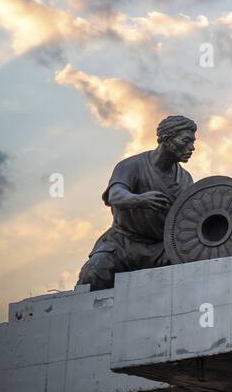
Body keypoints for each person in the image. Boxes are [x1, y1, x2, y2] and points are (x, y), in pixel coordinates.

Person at [77, 115, 196, 290]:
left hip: (160, 249)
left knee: (191, 270)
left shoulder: (185, 180)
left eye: (192, 142)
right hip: (121, 244)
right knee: (93, 274)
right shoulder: (131, 165)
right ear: (166, 138)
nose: (192, 147)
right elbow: (115, 196)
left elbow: (190, 218)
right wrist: (140, 199)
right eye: (186, 141)